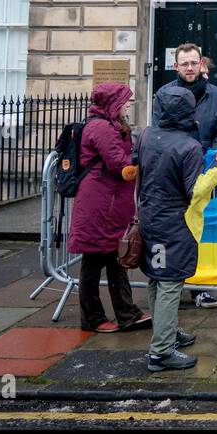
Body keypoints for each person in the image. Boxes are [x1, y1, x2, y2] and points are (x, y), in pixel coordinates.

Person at [139, 86, 217, 371]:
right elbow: (195, 190)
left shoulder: (146, 136)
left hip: (148, 216)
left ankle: (165, 332)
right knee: (170, 284)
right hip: (175, 222)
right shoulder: (188, 145)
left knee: (156, 278)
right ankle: (161, 351)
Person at [68, 82, 151, 333]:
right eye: (125, 100)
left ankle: (126, 313)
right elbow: (121, 166)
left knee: (115, 259)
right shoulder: (101, 128)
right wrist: (151, 162)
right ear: (113, 102)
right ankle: (95, 318)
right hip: (101, 204)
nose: (128, 104)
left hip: (106, 203)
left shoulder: (106, 125)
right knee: (96, 262)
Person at [156, 42, 217, 309]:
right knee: (177, 231)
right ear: (176, 66)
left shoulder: (215, 95)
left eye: (194, 62)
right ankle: (173, 286)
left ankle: (199, 287)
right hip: (174, 174)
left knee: (202, 230)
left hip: (204, 172)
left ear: (202, 64)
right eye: (184, 63)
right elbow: (159, 133)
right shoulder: (164, 94)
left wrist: (211, 158)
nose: (190, 67)